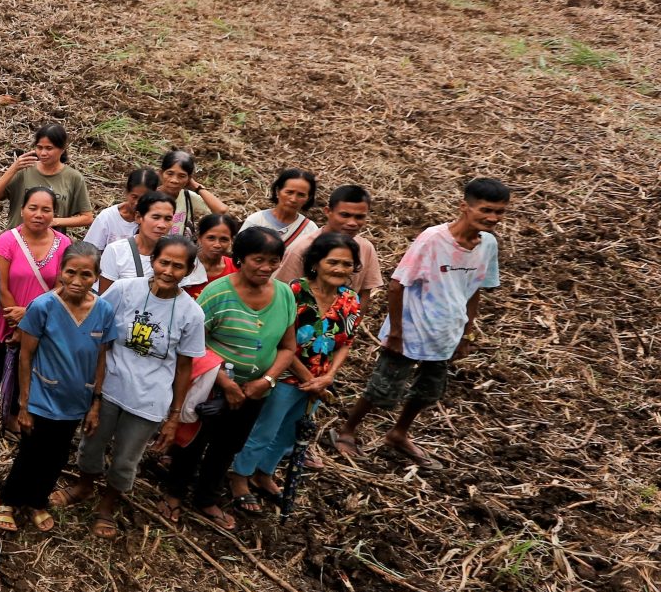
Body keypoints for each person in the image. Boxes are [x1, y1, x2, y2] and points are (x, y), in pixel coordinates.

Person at [34, 236, 205, 538]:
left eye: (178, 266)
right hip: (109, 386)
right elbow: (91, 317)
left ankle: (107, 505)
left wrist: (174, 415)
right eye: (164, 262)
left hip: (149, 398)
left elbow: (184, 367)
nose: (168, 271)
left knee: (127, 458)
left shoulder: (191, 313)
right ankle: (84, 486)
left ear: (189, 270)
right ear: (153, 260)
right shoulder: (126, 290)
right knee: (91, 444)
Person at [333, 178, 509, 466]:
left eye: (499, 212)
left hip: (447, 331)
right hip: (412, 329)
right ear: (464, 206)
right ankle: (347, 431)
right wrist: (397, 332)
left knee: (428, 390)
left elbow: (475, 289)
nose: (493, 218)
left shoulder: (487, 244)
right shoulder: (433, 239)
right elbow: (397, 285)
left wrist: (466, 334)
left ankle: (399, 433)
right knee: (383, 386)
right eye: (486, 210)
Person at [160, 228, 296, 529]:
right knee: (192, 442)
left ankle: (207, 498)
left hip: (255, 391)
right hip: (211, 387)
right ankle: (174, 494)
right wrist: (225, 382)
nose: (266, 267)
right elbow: (192, 346)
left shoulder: (285, 294)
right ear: (240, 259)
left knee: (227, 446)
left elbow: (288, 347)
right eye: (258, 259)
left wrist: (266, 381)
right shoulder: (217, 293)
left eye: (273, 261)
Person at [229, 233, 361, 510]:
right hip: (285, 376)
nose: (339, 269)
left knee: (289, 433)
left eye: (347, 264)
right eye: (333, 262)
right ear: (316, 262)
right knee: (265, 430)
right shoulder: (292, 292)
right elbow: (280, 340)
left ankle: (263, 472)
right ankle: (239, 476)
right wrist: (309, 379)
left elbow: (346, 343)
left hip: (318, 382)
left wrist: (328, 377)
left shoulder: (349, 299)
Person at [0, 243, 114, 532]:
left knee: (57, 455)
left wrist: (95, 402)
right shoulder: (43, 307)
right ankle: (7, 499)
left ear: (96, 276)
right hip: (42, 396)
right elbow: (26, 356)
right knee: (32, 451)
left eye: (86, 275)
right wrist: (24, 404)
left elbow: (101, 357)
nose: (77, 281)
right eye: (70, 272)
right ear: (60, 271)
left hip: (76, 398)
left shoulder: (103, 310)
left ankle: (37, 501)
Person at [0, 185, 73, 436]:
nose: (39, 214)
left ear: (54, 214)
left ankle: (14, 415)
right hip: (6, 318)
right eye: (33, 208)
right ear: (22, 210)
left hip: (42, 322)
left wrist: (29, 316)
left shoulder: (64, 244)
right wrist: (18, 320)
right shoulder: (8, 240)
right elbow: (0, 285)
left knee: (27, 369)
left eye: (46, 210)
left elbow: (62, 286)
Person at [0, 121, 94, 232]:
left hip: (51, 240)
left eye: (49, 148)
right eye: (39, 147)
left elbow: (87, 217)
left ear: (62, 149)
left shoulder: (73, 178)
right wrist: (13, 169)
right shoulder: (24, 170)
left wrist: (54, 221)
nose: (43, 153)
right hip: (17, 238)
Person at [276, 186, 383, 294]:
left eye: (359, 217)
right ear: (327, 211)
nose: (352, 223)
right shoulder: (301, 248)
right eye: (345, 215)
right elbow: (284, 292)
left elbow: (364, 293)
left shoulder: (366, 248)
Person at [97, 191, 178, 293]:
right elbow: (106, 297)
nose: (162, 225)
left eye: (168, 219)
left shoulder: (176, 253)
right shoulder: (116, 251)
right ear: (138, 217)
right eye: (156, 217)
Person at [157, 149, 227, 239]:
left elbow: (221, 210)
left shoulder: (187, 197)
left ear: (189, 179)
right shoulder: (151, 196)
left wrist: (197, 187)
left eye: (182, 176)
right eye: (170, 174)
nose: (174, 180)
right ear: (161, 174)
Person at [86, 168, 161, 252]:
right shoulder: (107, 217)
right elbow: (90, 252)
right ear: (126, 192)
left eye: (144, 198)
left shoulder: (159, 219)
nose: (137, 203)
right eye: (134, 197)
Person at [242, 169, 318, 245]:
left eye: (301, 195)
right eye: (289, 192)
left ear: (309, 198)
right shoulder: (256, 221)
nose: (293, 199)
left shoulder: (310, 230)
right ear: (278, 191)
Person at [187, 213, 237, 298]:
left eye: (224, 239)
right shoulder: (184, 266)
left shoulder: (236, 269)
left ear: (231, 241)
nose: (217, 245)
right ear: (199, 238)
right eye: (211, 238)